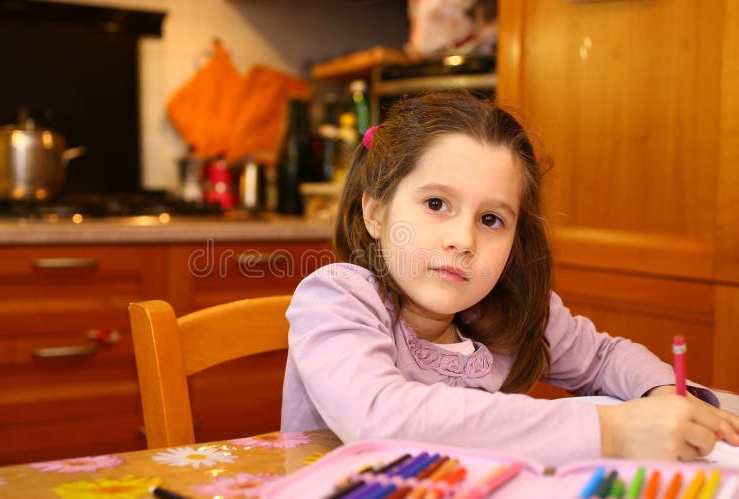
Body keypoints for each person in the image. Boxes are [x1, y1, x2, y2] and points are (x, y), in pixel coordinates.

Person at [280, 91, 739, 466]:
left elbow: (602, 358)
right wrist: (612, 432)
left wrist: (663, 393)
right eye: (436, 204)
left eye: (491, 219)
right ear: (375, 211)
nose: (463, 240)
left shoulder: (503, 306)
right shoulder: (337, 298)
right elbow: (380, 415)